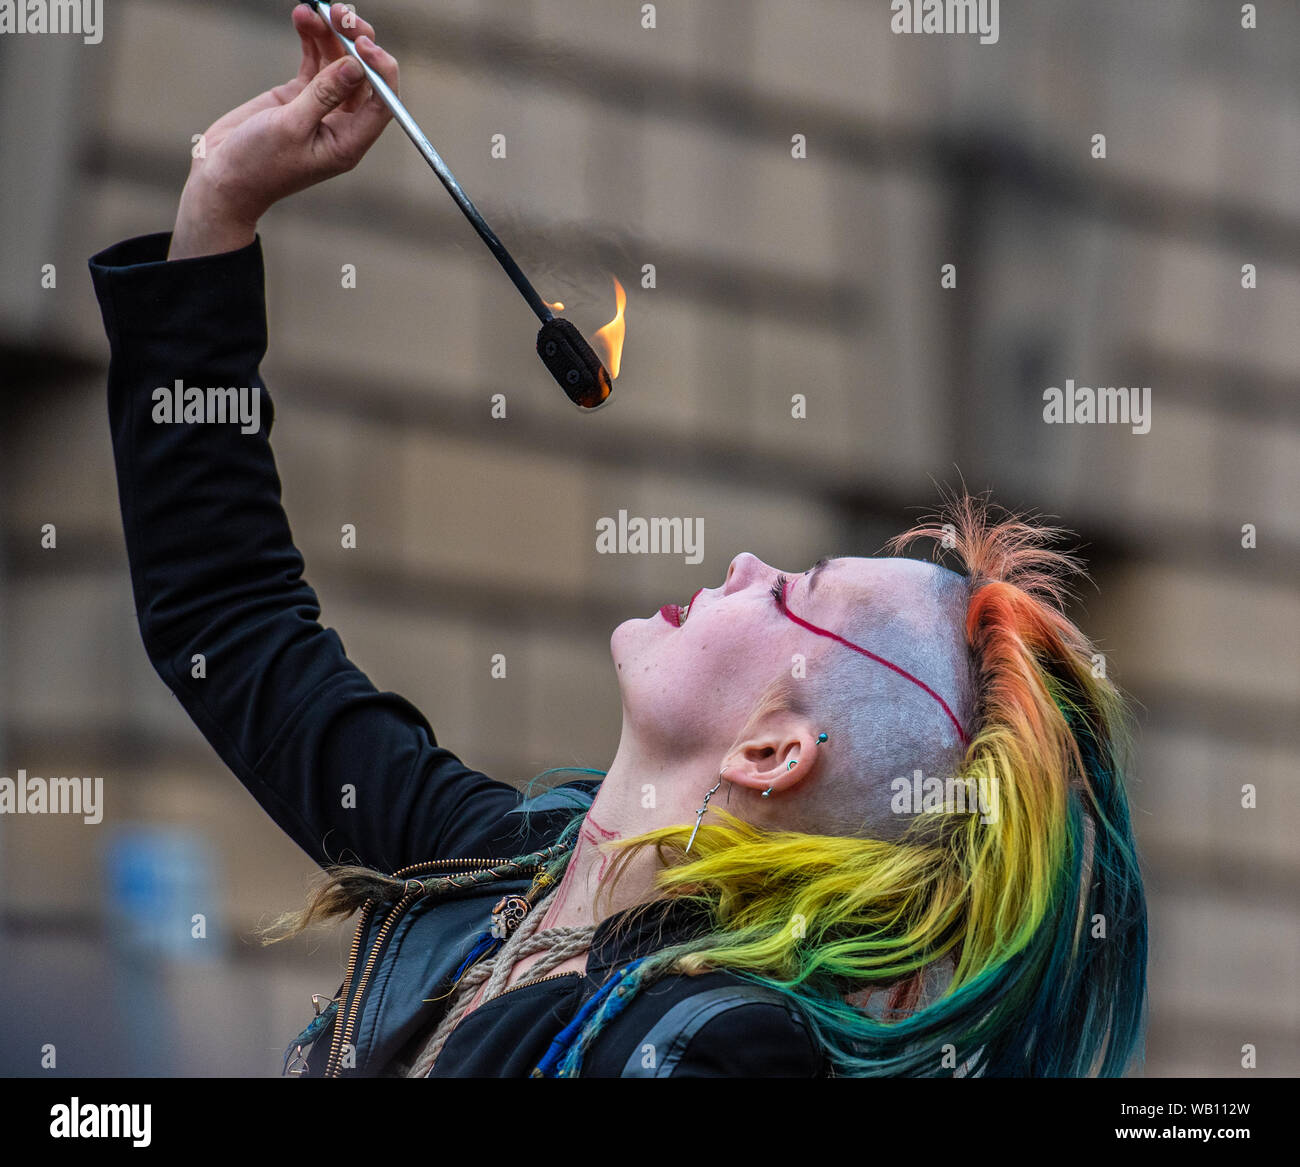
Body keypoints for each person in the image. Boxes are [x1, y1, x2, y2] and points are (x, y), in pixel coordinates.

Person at [88, 4, 1147, 1078]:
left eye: (792, 592)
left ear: (772, 753)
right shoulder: (495, 869)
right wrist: (221, 207)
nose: (744, 566)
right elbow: (229, 617)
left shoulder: (730, 1053)